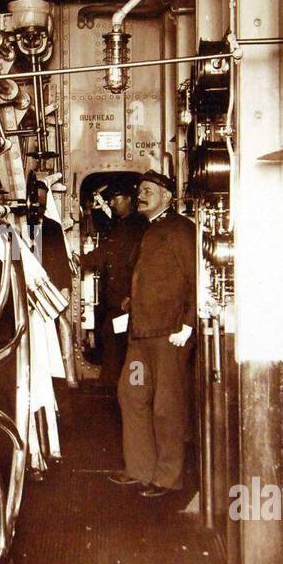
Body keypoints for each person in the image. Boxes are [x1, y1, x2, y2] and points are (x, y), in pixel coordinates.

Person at [113, 171, 196, 499]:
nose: (140, 195)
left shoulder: (180, 230)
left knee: (166, 407)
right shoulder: (151, 231)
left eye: (148, 190)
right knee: (132, 395)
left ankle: (166, 477)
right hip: (141, 336)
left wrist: (188, 325)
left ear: (167, 196)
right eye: (139, 190)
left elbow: (194, 278)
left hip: (167, 336)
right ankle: (139, 469)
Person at [80, 177, 147, 388]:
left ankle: (117, 387)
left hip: (126, 299)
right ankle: (115, 386)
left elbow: (136, 264)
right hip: (118, 299)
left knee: (116, 340)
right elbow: (106, 253)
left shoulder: (137, 226)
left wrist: (132, 296)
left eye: (115, 198)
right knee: (113, 339)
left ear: (129, 199)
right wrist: (81, 261)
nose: (110, 203)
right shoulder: (123, 225)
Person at [27, 180, 78, 390]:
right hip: (30, 287)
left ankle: (62, 379)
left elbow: (61, 261)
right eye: (36, 199)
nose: (40, 203)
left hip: (50, 289)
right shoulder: (21, 227)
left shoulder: (52, 228)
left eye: (43, 199)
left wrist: (65, 287)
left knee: (56, 332)